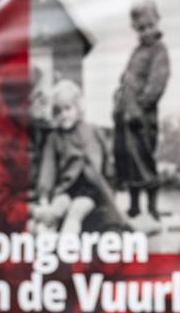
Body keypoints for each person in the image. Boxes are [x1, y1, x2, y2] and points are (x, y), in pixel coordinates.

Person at [32, 79, 126, 235]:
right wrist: (44, 196)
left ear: (78, 108)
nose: (63, 115)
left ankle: (67, 240)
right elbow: (48, 169)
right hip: (66, 187)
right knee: (58, 205)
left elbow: (106, 163)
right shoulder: (54, 137)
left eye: (67, 109)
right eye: (58, 111)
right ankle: (47, 225)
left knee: (76, 210)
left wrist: (110, 187)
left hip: (90, 189)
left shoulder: (92, 131)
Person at [113, 0, 170, 221]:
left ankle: (153, 208)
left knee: (143, 158)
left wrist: (142, 105)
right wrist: (119, 100)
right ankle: (135, 206)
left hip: (142, 117)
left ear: (157, 22)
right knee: (128, 159)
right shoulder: (137, 52)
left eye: (150, 26)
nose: (146, 32)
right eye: (141, 28)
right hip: (125, 114)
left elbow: (158, 82)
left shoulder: (159, 51)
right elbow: (126, 79)